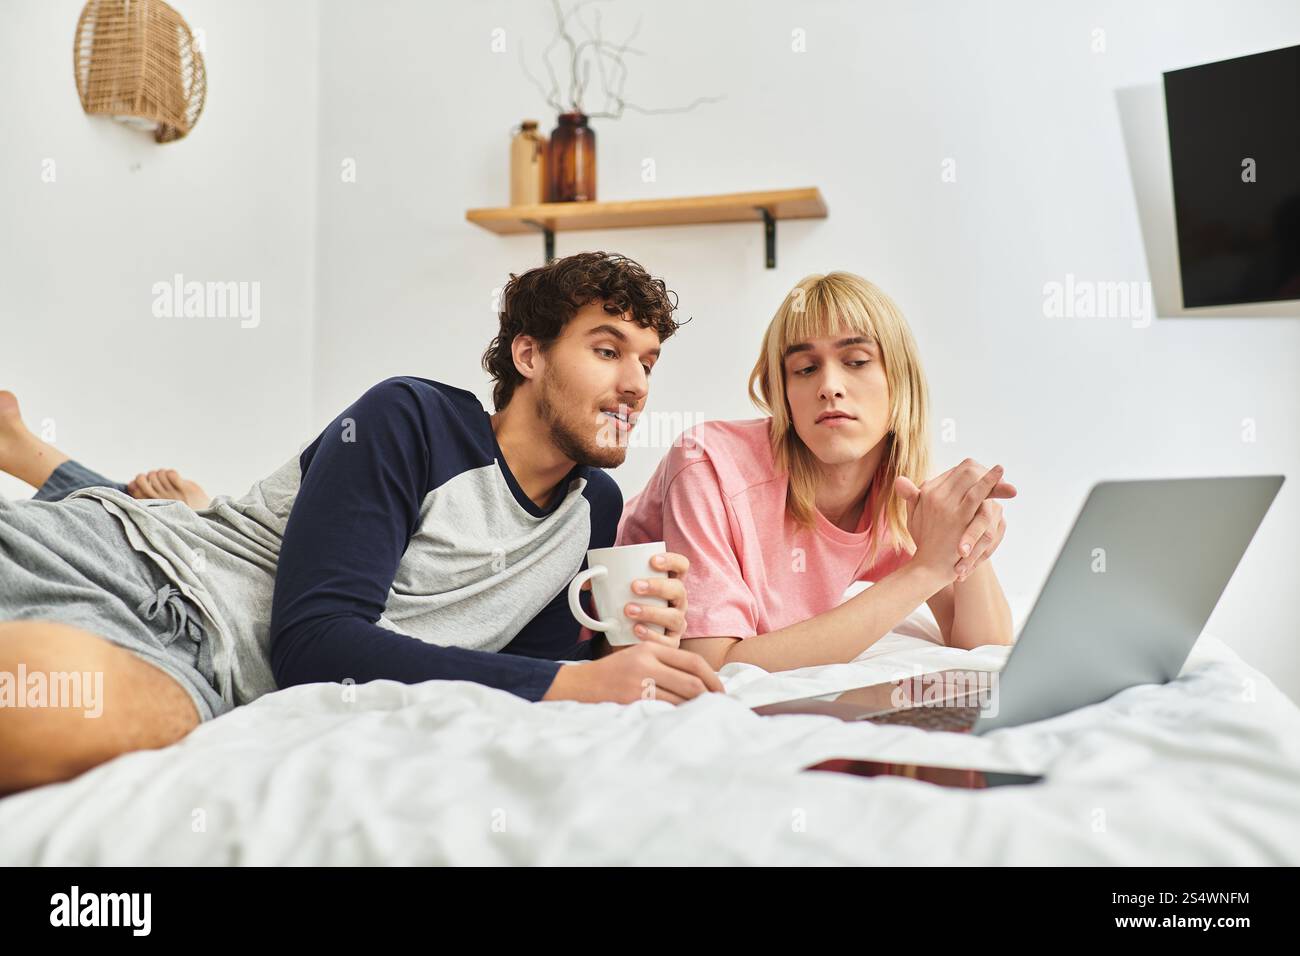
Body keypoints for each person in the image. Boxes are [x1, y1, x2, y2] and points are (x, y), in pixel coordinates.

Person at [0, 251, 723, 796]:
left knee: (49, 716)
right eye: (607, 350)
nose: (636, 385)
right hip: (137, 565)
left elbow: (521, 673)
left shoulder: (595, 509)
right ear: (530, 354)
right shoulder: (413, 418)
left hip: (208, 673)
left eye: (649, 362)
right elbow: (316, 641)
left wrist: (621, 650)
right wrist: (576, 683)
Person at [616, 271, 1018, 672]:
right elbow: (712, 665)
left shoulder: (898, 495)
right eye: (805, 368)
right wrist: (924, 570)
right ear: (783, 395)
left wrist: (965, 534)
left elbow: (984, 648)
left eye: (856, 361)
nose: (829, 386)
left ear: (900, 380)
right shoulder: (708, 463)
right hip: (582, 633)